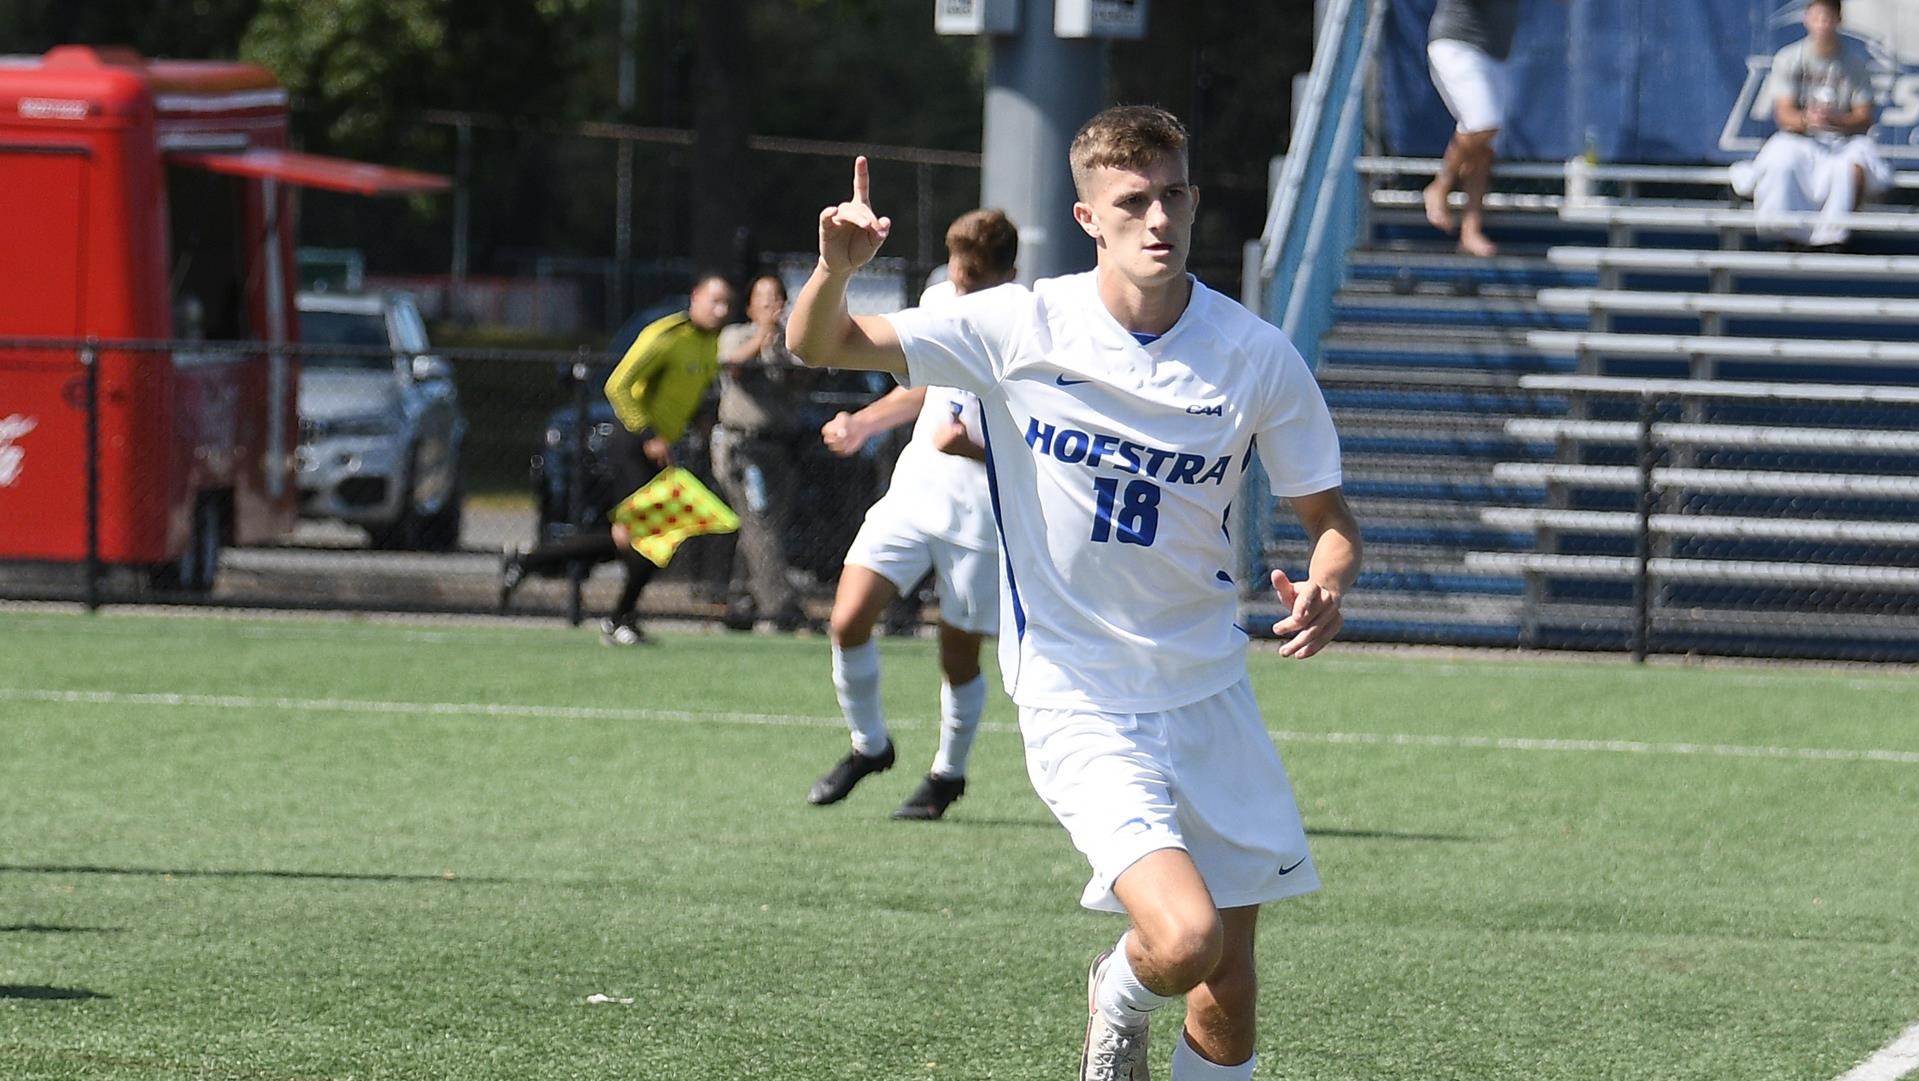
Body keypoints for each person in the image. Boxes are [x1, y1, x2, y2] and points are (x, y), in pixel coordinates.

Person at [788, 107, 1362, 1081]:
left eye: (1171, 195)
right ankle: (1117, 990)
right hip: (1078, 695)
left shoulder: (1254, 353)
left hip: (1209, 689)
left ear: (1193, 200)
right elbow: (823, 344)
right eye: (1131, 201)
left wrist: (1325, 582)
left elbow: (1331, 518)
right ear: (1087, 217)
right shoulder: (1018, 324)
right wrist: (833, 269)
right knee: (1182, 941)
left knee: (1229, 984)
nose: (1157, 219)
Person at [805, 208, 1021, 821]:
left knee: (958, 656)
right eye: (956, 273)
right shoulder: (939, 296)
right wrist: (864, 424)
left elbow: (1043, 444)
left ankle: (947, 774)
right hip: (915, 495)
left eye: (974, 279)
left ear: (1007, 276)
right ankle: (869, 745)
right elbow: (926, 383)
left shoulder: (1027, 328)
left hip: (979, 517)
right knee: (847, 620)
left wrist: (973, 449)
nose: (960, 287)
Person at [499, 274, 734, 645]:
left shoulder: (710, 344)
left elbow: (683, 394)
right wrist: (647, 434)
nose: (719, 310)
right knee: (644, 538)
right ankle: (617, 618)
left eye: (725, 304)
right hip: (631, 444)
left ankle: (531, 561)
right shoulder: (666, 335)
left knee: (639, 537)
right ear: (695, 297)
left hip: (661, 450)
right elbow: (618, 384)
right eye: (713, 301)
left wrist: (698, 422)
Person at [1731, 0, 1889, 251]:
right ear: (1806, 20)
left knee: (1852, 167)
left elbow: (1864, 117)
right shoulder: (1788, 58)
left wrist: (1835, 119)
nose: (1822, 24)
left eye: (1827, 18)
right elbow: (1784, 115)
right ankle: (1788, 235)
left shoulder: (1855, 63)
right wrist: (1808, 120)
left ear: (1838, 20)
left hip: (1841, 140)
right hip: (1800, 138)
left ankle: (1833, 238)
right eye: (1817, 17)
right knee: (1782, 161)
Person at [711, 273, 816, 633]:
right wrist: (761, 336)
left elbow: (803, 378)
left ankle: (742, 602)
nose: (771, 304)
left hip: (780, 447)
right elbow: (732, 367)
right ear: (750, 306)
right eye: (763, 297)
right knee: (760, 524)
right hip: (742, 447)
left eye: (777, 297)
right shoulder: (736, 334)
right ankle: (781, 607)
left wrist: (780, 345)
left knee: (763, 529)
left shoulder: (789, 341)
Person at [1422, 0, 1521, 258]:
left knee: (1485, 148)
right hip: (1457, 45)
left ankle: (1470, 232)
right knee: (1483, 125)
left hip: (1495, 55)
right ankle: (1439, 187)